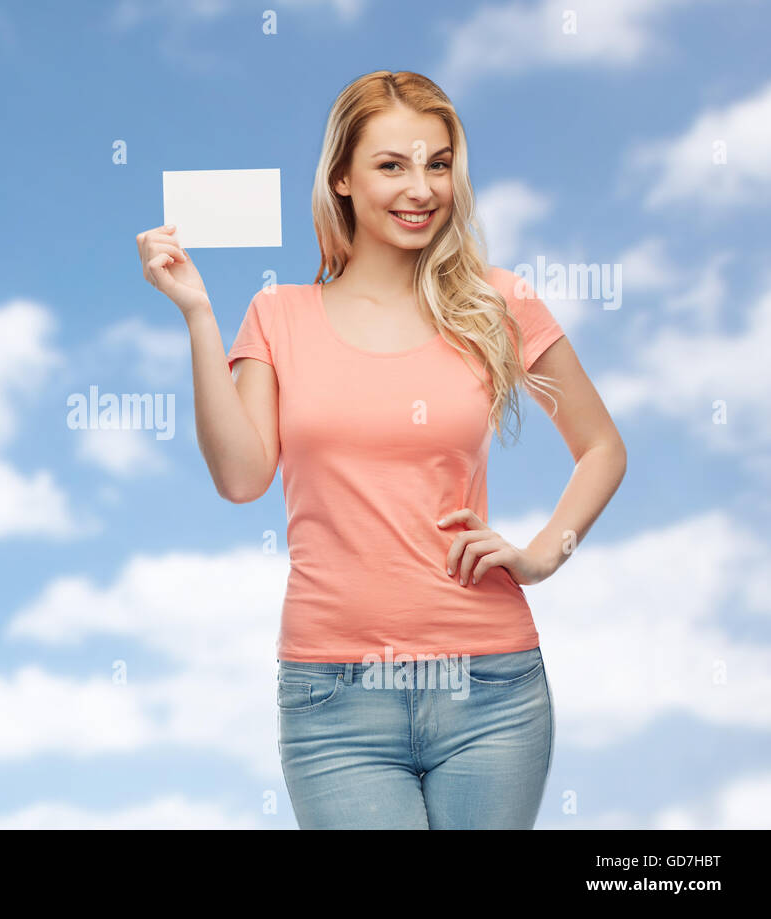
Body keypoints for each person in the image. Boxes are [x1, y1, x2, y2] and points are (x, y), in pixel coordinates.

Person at [135, 70, 627, 829]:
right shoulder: (278, 314)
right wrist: (199, 315)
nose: (420, 188)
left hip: (490, 686)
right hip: (333, 700)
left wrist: (541, 553)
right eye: (391, 165)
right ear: (342, 177)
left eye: (437, 164)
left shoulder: (498, 302)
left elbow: (601, 447)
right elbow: (240, 477)